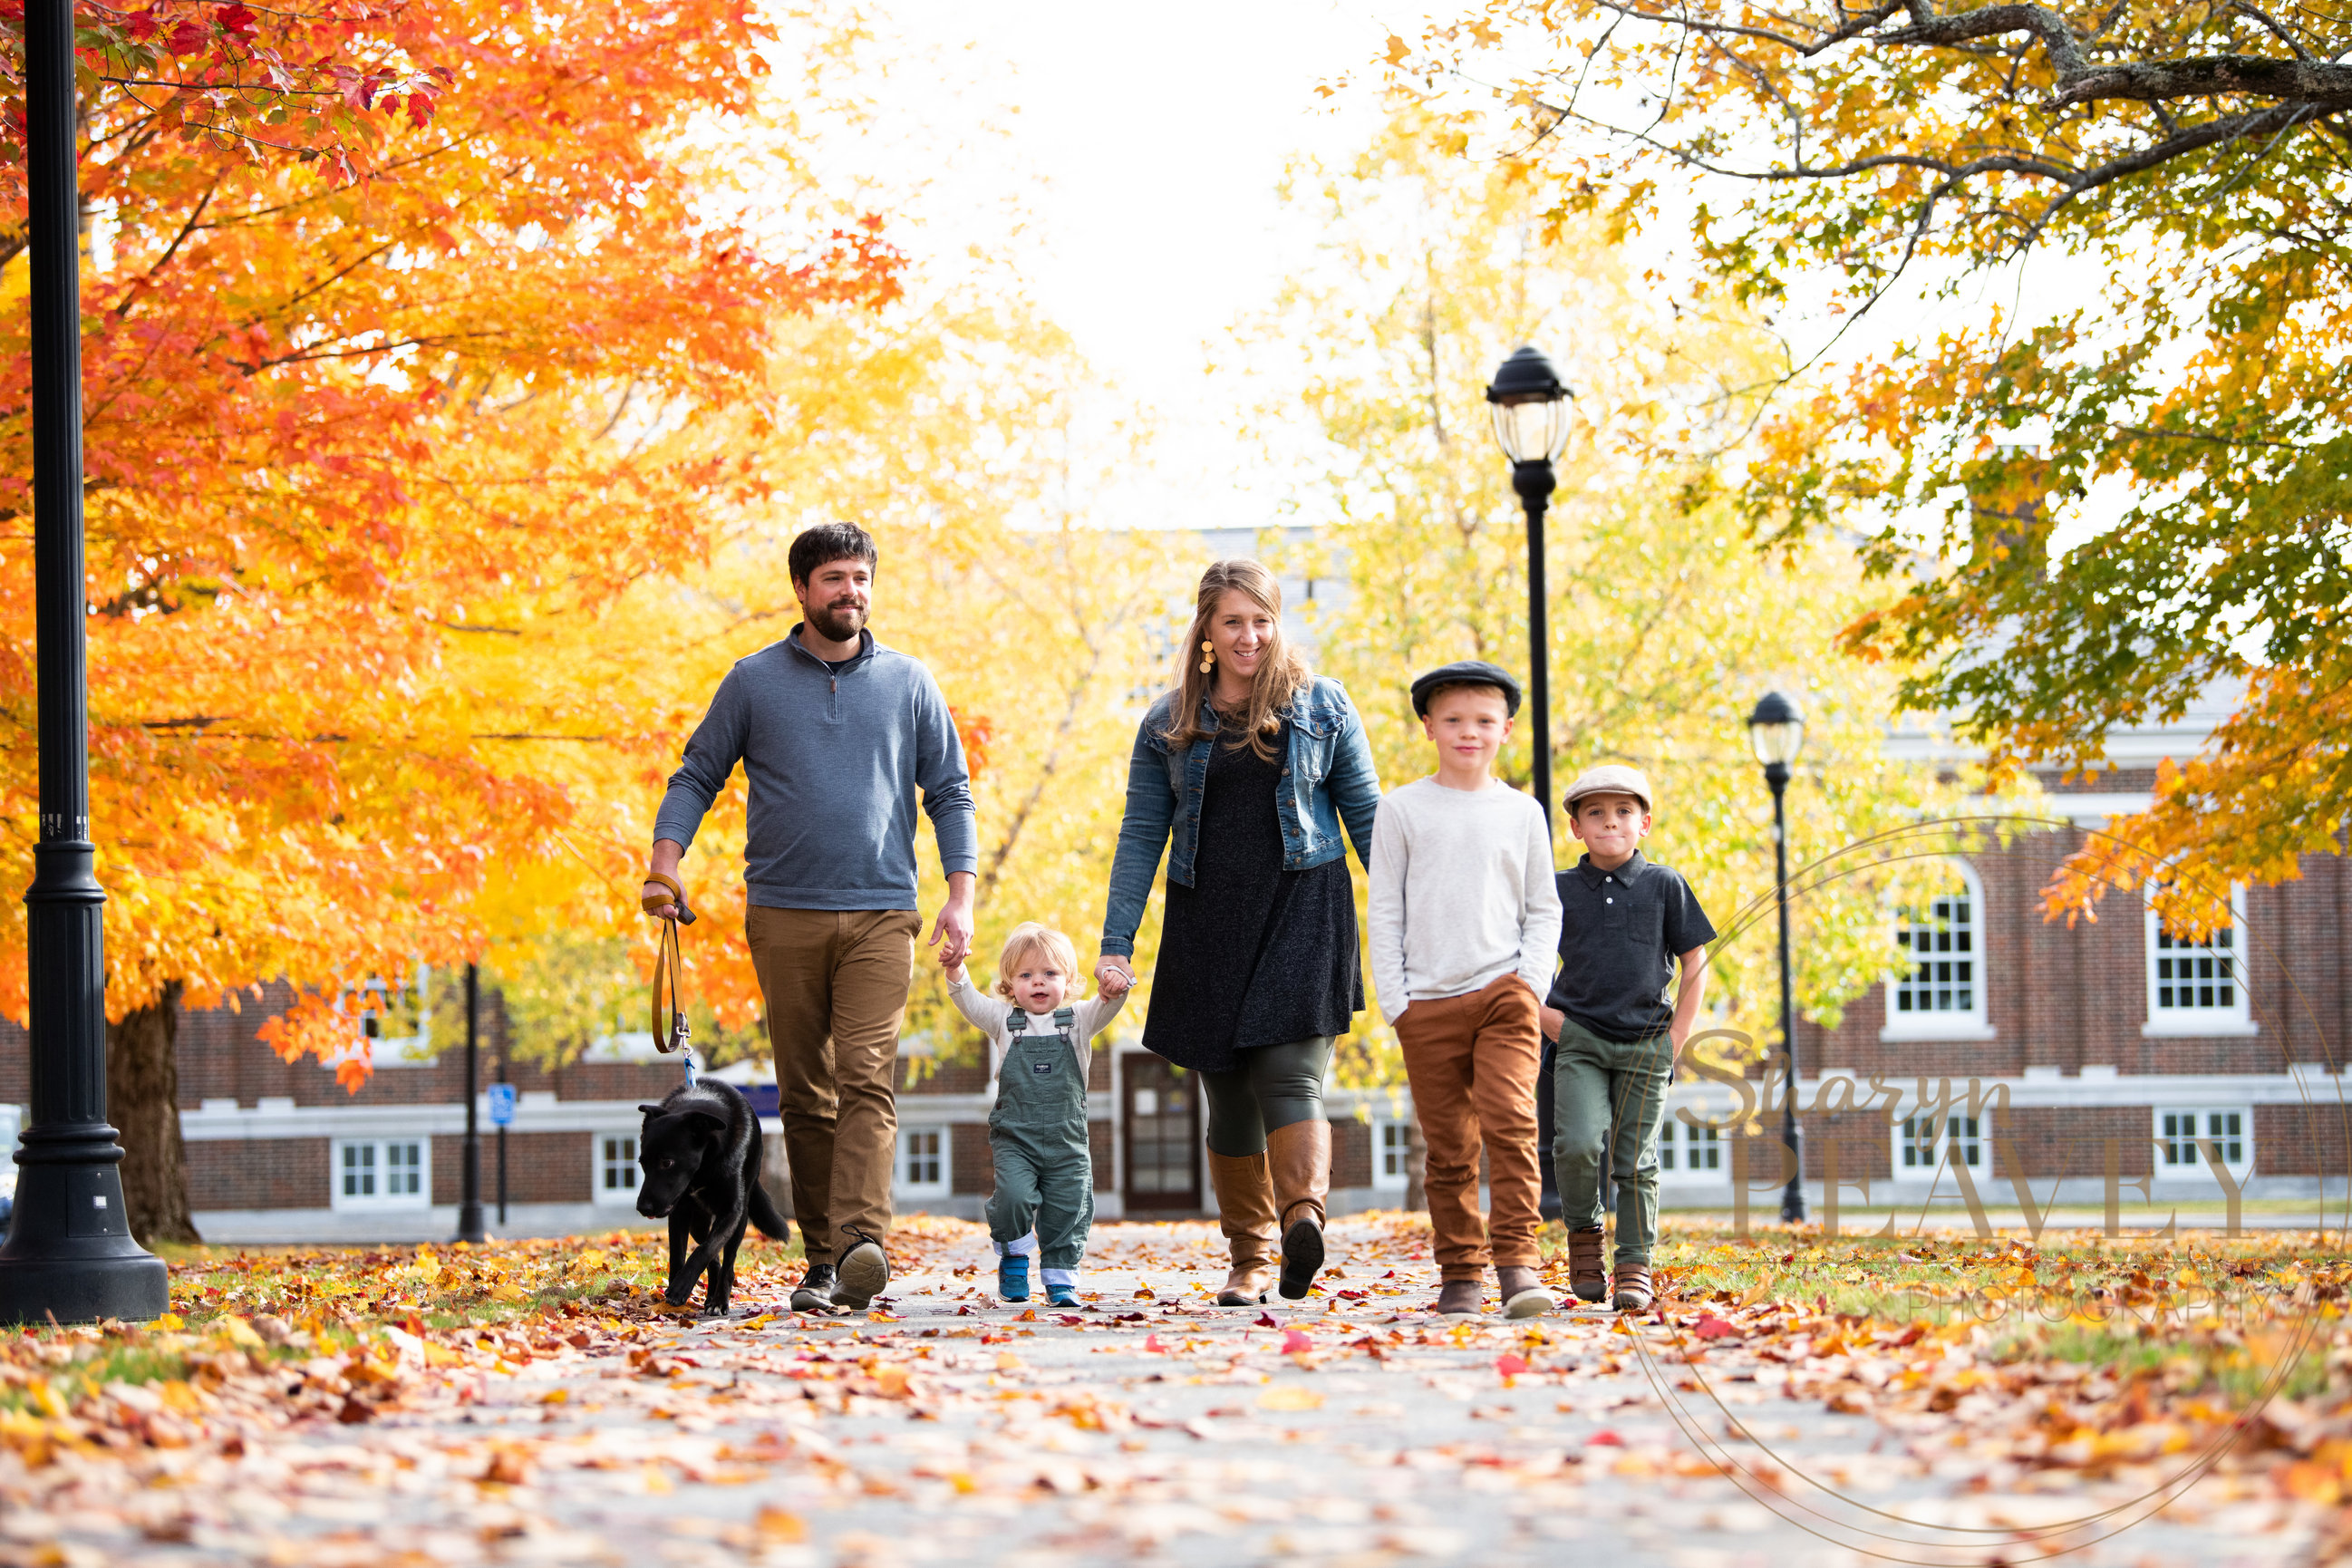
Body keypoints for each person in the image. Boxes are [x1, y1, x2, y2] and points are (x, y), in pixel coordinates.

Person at [643, 522, 977, 1314]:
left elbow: (951, 792)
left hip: (882, 913)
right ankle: (824, 1263)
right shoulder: (754, 682)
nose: (849, 591)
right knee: (805, 1095)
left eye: (860, 577)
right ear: (801, 589)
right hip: (784, 915)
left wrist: (959, 895)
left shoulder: (909, 683)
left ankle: (862, 1241)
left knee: (865, 1076)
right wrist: (665, 862)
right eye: (833, 578)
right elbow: (696, 775)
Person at [1096, 559, 1379, 1306]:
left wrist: (1416, 916)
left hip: (1306, 904)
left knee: (1289, 1073)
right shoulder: (1167, 723)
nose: (1249, 636)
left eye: (1261, 620)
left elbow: (1369, 820)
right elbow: (1139, 837)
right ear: (1207, 632)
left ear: (1277, 623)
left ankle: (1300, 1222)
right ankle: (1251, 1256)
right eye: (1232, 622)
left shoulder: (1324, 706)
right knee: (1227, 1098)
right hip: (1206, 913)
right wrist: (1116, 941)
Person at [1368, 662, 1563, 1318]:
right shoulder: (1400, 809)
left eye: (1483, 721)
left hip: (1504, 994)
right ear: (1428, 727)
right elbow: (1385, 910)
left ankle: (1518, 1266)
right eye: (1452, 720)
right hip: (1424, 1004)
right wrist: (1396, 1001)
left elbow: (1543, 908)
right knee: (1449, 1146)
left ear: (1505, 729)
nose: (1468, 732)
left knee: (1512, 1124)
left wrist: (1530, 984)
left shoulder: (1521, 812)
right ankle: (1460, 1273)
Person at [1544, 765, 1716, 1312]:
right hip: (1580, 1040)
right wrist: (1551, 1021)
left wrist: (1678, 1036)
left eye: (1622, 812)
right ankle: (1585, 1240)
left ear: (1645, 823)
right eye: (1595, 812)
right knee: (1576, 1145)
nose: (1609, 822)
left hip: (1647, 1042)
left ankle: (1635, 1264)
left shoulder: (1665, 884)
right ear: (1575, 827)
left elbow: (1696, 962)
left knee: (1635, 1160)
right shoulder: (1557, 888)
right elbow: (1518, 961)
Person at [945, 923, 1124, 1308]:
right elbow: (969, 1001)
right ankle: (1013, 1255)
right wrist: (956, 970)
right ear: (1010, 985)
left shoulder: (1078, 1020)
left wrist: (1114, 986)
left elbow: (1108, 1004)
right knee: (1012, 1197)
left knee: (1068, 1206)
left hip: (1066, 1140)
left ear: (1069, 979)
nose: (1038, 983)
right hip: (1016, 1138)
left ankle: (1060, 1279)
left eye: (1049, 974)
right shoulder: (1003, 1021)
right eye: (1026, 975)